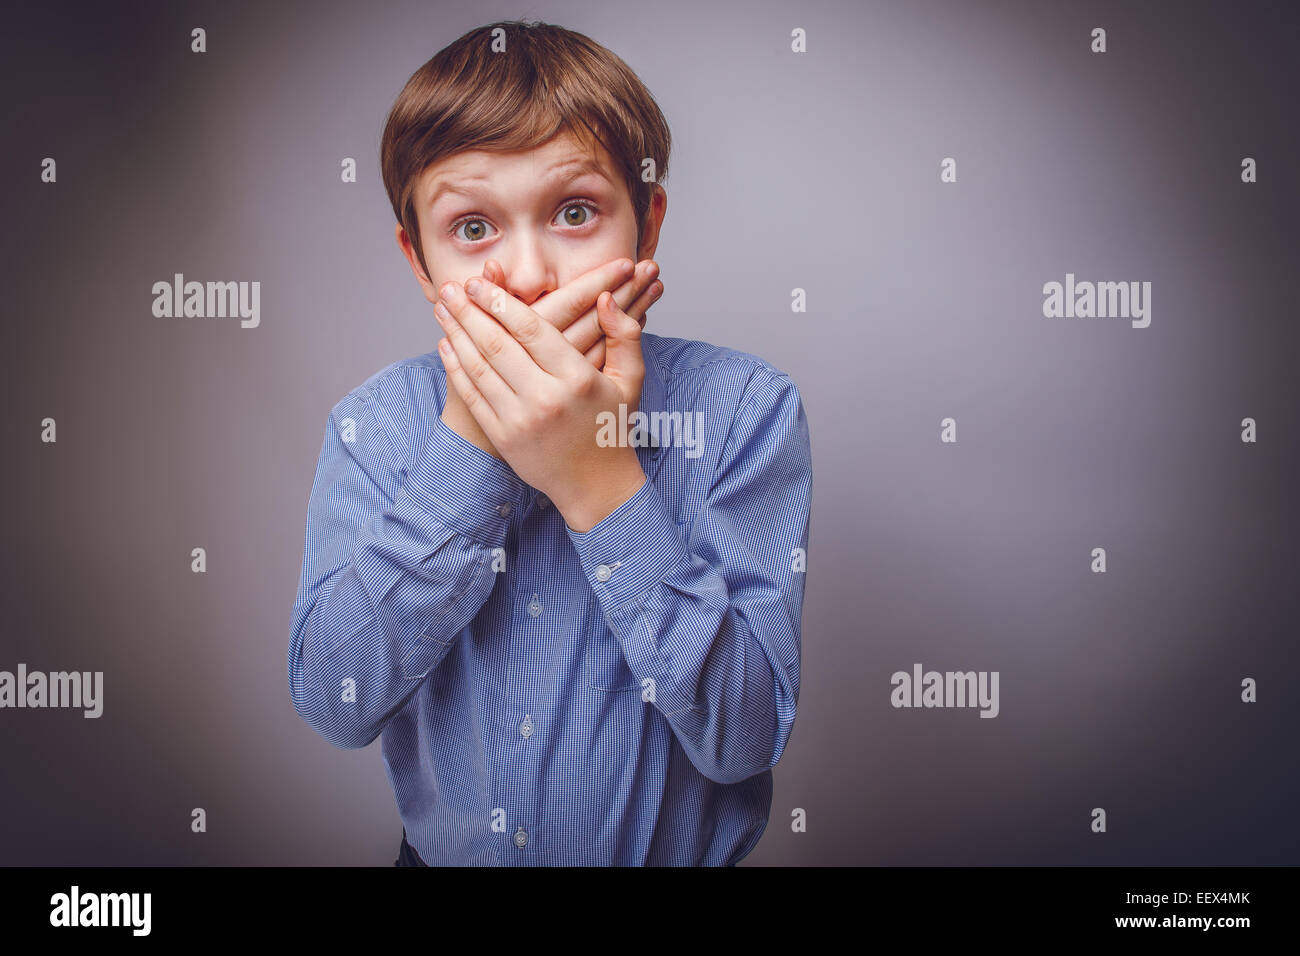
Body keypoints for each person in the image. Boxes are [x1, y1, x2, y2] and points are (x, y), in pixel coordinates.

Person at [288, 19, 811, 866]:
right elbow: (335, 702)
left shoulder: (744, 409)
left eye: (576, 212)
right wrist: (472, 447)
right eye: (472, 229)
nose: (529, 276)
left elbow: (743, 739)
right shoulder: (375, 425)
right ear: (419, 262)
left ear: (645, 225)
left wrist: (598, 476)